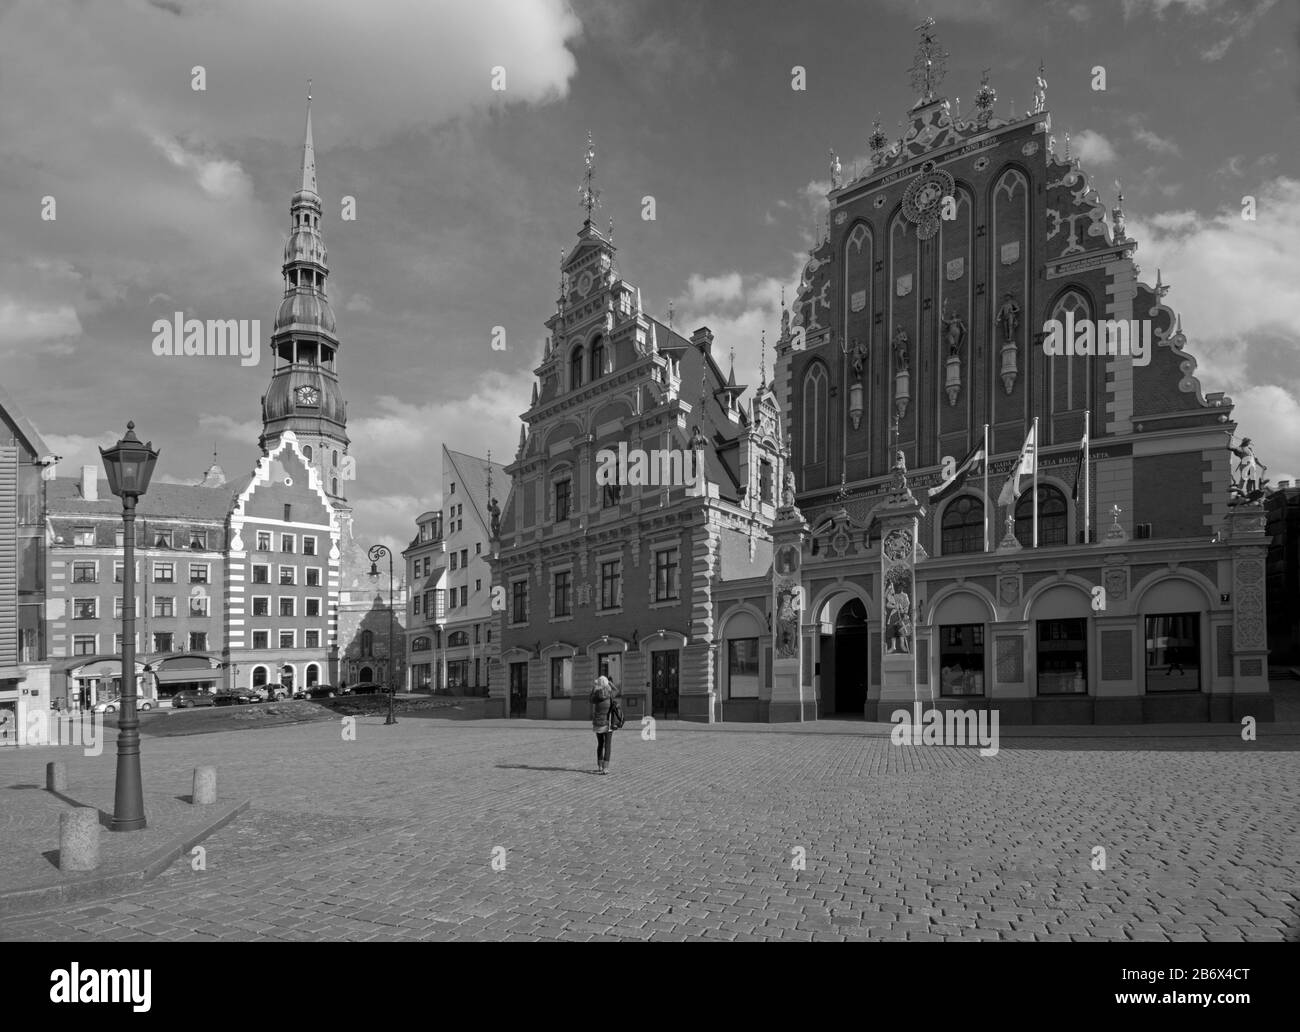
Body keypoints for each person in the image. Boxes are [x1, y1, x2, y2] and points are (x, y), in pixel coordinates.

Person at [589, 675, 620, 775]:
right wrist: (610, 683)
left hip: (598, 724)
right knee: (607, 745)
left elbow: (590, 698)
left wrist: (595, 686)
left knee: (600, 744)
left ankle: (600, 765)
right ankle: (605, 768)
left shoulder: (596, 697)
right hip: (608, 723)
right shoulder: (610, 694)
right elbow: (617, 690)